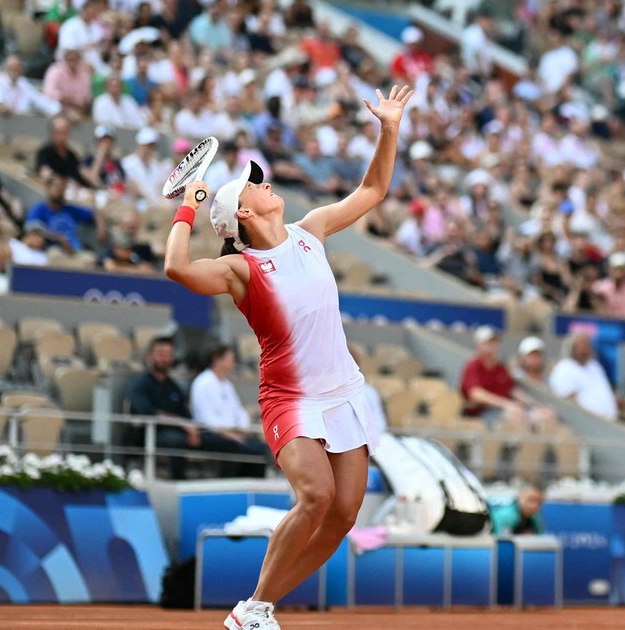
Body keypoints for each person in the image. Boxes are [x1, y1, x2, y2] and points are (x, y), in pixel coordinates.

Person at [163, 85, 414, 630]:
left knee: (344, 514)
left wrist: (389, 128)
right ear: (244, 213)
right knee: (316, 496)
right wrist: (189, 204)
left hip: (344, 392)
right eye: (255, 185)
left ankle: (257, 608)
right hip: (291, 399)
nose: (266, 183)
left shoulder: (311, 231)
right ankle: (252, 607)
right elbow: (177, 268)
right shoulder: (242, 270)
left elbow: (373, 189)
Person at [127, 337, 257, 480]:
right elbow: (146, 411)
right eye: (160, 354)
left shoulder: (173, 386)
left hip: (181, 432)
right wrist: (182, 424)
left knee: (229, 444)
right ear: (151, 356)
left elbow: (185, 413)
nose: (164, 359)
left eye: (168, 355)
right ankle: (178, 482)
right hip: (153, 432)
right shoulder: (140, 384)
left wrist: (192, 429)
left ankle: (229, 484)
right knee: (177, 441)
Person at [189, 344, 270, 477]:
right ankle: (231, 482)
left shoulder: (227, 385)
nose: (233, 362)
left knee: (258, 447)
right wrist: (226, 433)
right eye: (230, 358)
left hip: (233, 432)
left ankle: (253, 483)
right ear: (217, 360)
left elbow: (239, 412)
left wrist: (242, 429)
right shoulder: (202, 383)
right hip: (210, 433)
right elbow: (205, 418)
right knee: (233, 447)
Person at [459, 326, 556, 428]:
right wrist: (506, 404)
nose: (492, 346)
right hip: (483, 413)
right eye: (488, 343)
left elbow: (512, 390)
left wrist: (535, 405)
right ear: (479, 345)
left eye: (494, 342)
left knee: (546, 415)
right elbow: (476, 394)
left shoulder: (500, 367)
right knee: (515, 414)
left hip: (504, 408)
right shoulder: (473, 366)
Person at [549, 331, 618, 419]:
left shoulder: (594, 366)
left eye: (586, 346)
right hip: (584, 422)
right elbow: (566, 400)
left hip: (609, 420)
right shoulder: (564, 368)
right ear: (572, 349)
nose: (584, 350)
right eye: (580, 347)